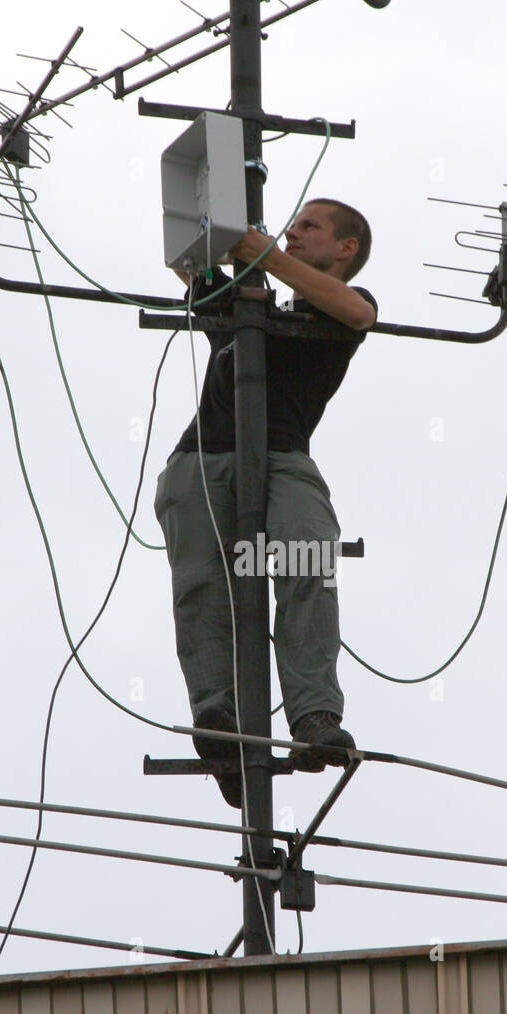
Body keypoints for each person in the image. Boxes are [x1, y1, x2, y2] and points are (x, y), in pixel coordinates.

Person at [153, 198, 377, 806]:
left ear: (345, 249)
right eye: (292, 225)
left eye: (311, 227)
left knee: (306, 560)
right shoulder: (249, 301)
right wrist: (211, 225)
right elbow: (186, 264)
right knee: (205, 585)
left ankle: (313, 719)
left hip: (283, 456)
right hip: (201, 459)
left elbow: (356, 311)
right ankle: (220, 723)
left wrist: (263, 255)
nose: (294, 233)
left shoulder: (340, 306)